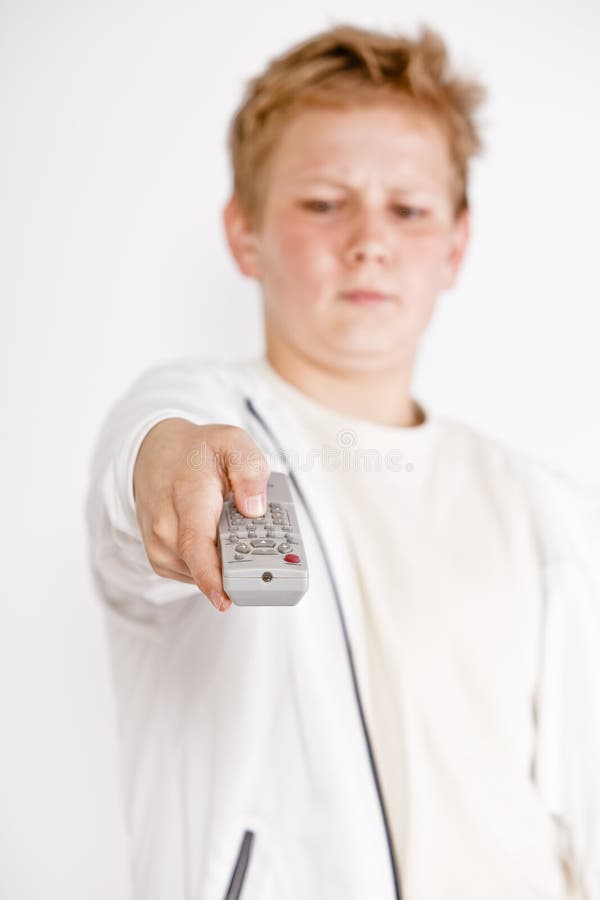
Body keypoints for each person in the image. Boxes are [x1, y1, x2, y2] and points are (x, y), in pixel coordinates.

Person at [85, 21, 600, 900]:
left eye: (409, 209)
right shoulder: (200, 416)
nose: (369, 239)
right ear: (244, 234)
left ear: (457, 245)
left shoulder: (537, 500)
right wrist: (163, 465)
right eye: (323, 203)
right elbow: (143, 487)